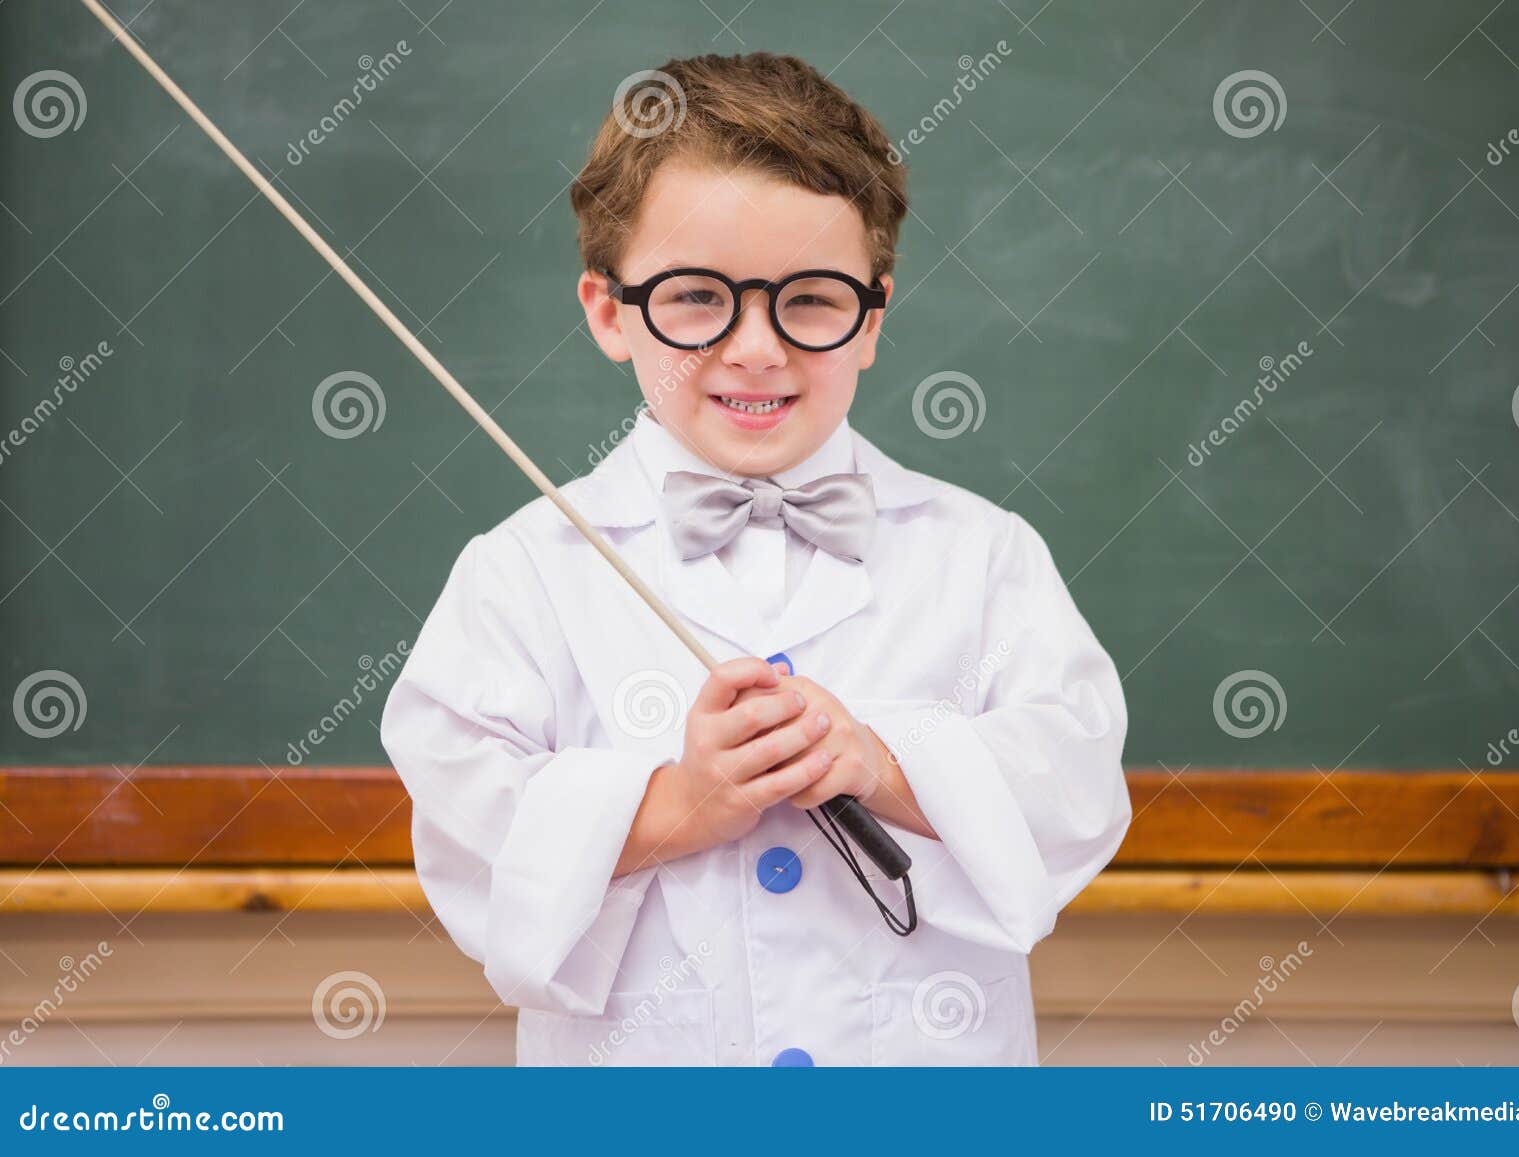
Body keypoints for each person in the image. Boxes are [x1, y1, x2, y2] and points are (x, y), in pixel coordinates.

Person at [379, 51, 1131, 1066]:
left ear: (872, 316)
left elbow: (1075, 790)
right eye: (696, 297)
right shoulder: (522, 570)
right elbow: (470, 836)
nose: (756, 348)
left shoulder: (985, 555)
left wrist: (883, 758)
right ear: (608, 312)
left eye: (811, 299)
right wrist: (671, 805)